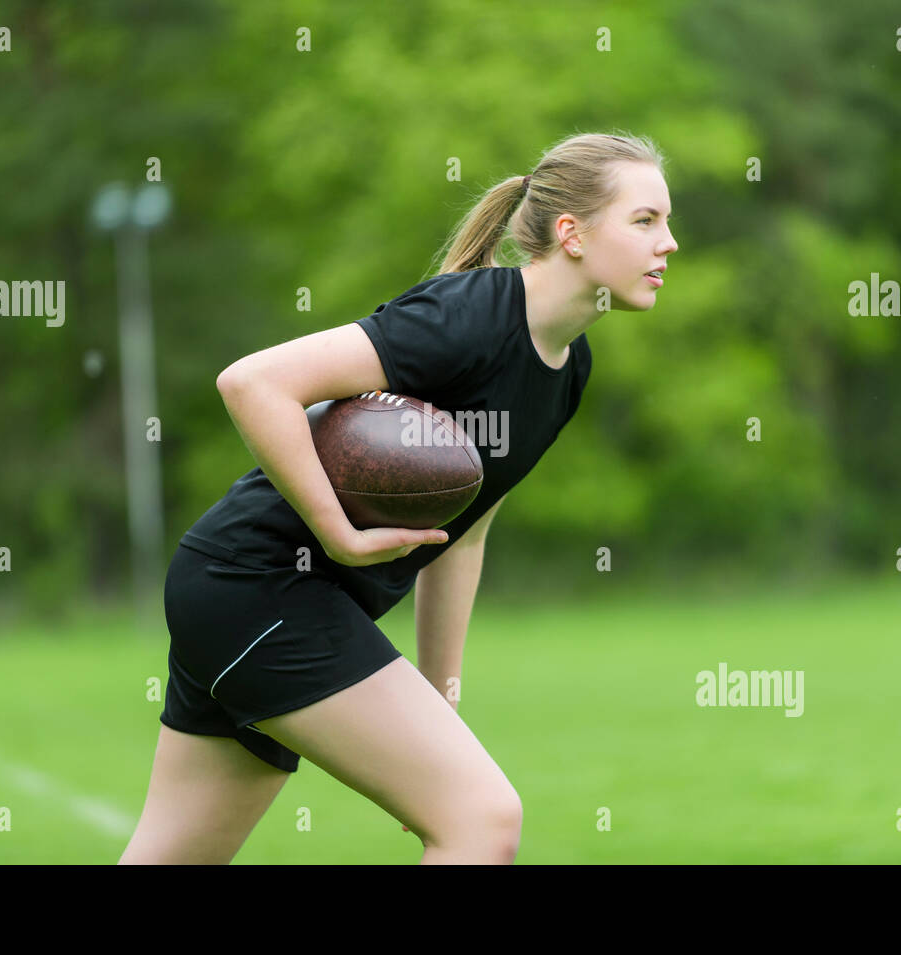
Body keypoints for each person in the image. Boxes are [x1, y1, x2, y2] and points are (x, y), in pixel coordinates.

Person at [118, 131, 677, 865]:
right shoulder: (472, 313)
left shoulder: (567, 367)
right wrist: (338, 533)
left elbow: (462, 533)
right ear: (571, 233)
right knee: (483, 819)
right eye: (645, 220)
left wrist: (439, 700)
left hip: (243, 596)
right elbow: (252, 383)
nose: (668, 243)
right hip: (260, 586)